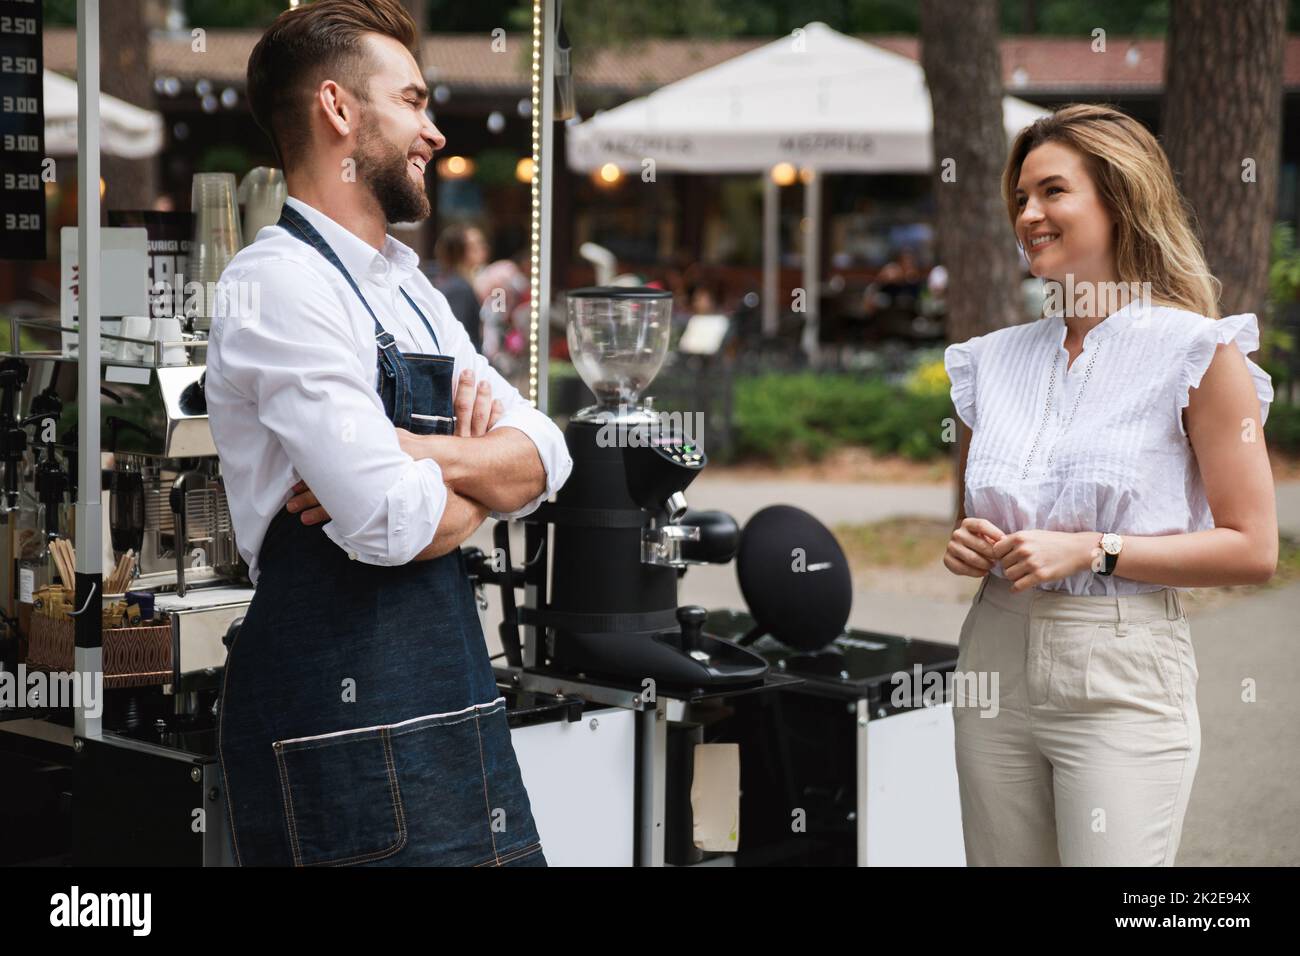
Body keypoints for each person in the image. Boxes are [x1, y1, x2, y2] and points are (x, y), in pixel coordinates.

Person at [205, 0, 572, 867]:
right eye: (412, 101)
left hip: (457, 706)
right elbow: (387, 522)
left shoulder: (413, 291)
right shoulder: (278, 285)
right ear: (339, 109)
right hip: (336, 738)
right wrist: (474, 483)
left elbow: (546, 458)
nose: (434, 132)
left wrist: (416, 453)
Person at [942, 103, 1277, 866]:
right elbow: (987, 511)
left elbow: (1253, 549)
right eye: (1020, 198)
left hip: (1120, 673)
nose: (1029, 214)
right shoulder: (989, 361)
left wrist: (1094, 548)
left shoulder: (1196, 351)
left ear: (1120, 198)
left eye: (1053, 191)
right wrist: (969, 541)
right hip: (992, 656)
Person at [425, 224, 485, 351]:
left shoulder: (457, 283)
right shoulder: (459, 288)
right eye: (475, 245)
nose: (483, 248)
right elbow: (457, 338)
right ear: (460, 251)